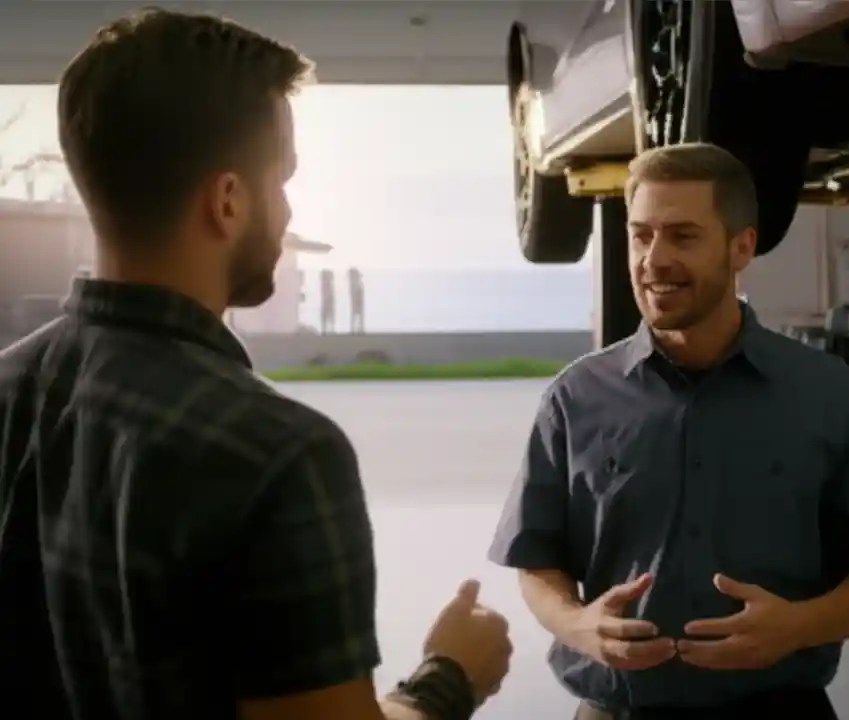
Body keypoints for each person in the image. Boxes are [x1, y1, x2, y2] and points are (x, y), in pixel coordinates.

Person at [0, 9, 511, 720]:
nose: (287, 206)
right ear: (229, 200)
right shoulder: (278, 454)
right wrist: (451, 676)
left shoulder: (8, 388)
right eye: (283, 180)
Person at [488, 143, 849, 719]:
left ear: (741, 246)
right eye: (641, 235)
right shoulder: (575, 397)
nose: (653, 260)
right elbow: (536, 560)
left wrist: (796, 627)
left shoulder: (829, 395)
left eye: (683, 236)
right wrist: (577, 625)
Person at [350, 266, 366, 334]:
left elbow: (360, 294)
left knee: (358, 316)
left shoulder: (358, 284)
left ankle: (359, 329)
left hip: (359, 303)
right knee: (356, 316)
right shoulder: (354, 284)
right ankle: (355, 329)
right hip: (356, 303)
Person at [321, 267, 336, 334]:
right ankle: (327, 330)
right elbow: (327, 295)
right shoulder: (325, 285)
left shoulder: (328, 285)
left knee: (329, 319)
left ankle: (329, 330)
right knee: (326, 318)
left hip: (328, 304)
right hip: (327, 304)